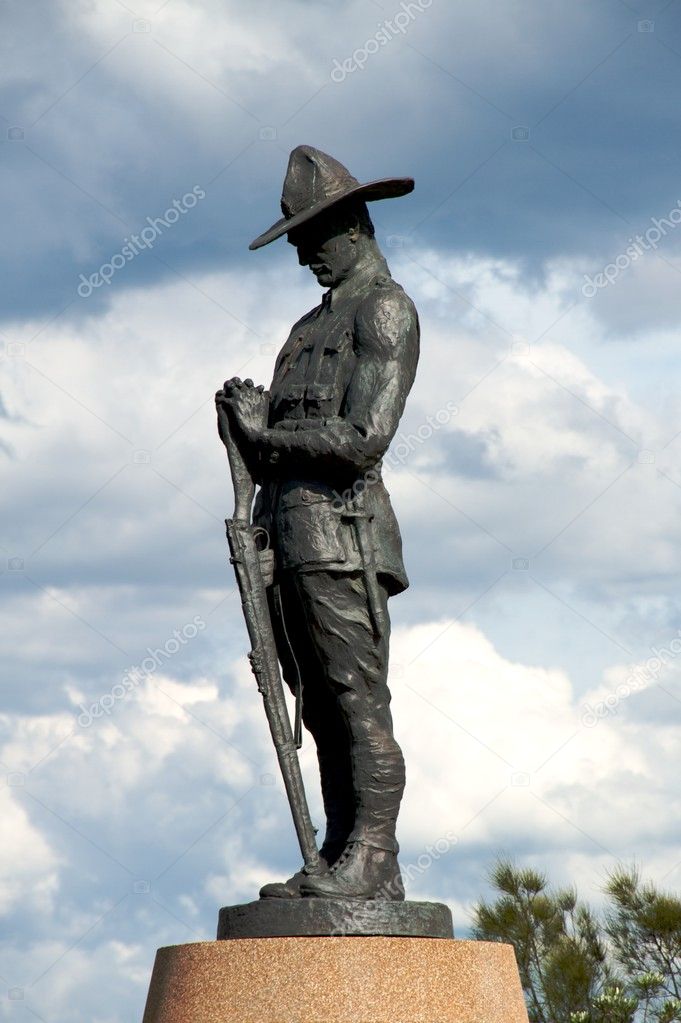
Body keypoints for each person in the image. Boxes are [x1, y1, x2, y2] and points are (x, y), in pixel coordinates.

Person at [216, 145, 419, 900]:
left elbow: (364, 437)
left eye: (312, 238)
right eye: (297, 241)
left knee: (355, 700)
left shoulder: (385, 309)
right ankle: (338, 854)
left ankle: (374, 856)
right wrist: (242, 422)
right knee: (318, 708)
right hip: (285, 534)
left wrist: (265, 436)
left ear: (354, 225)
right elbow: (270, 443)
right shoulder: (305, 328)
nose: (304, 255)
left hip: (345, 536)